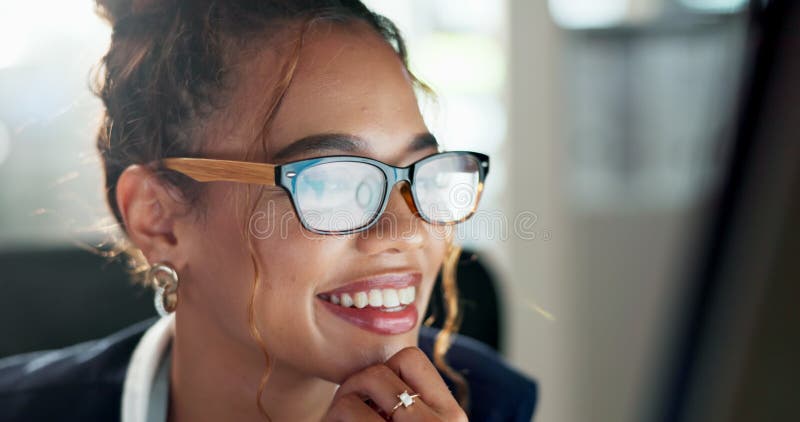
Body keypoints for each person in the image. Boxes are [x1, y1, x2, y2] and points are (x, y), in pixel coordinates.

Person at [0, 0, 537, 420]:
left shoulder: (492, 405)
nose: (406, 230)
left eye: (421, 172)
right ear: (158, 218)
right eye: (332, 181)